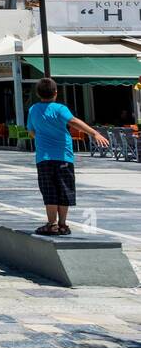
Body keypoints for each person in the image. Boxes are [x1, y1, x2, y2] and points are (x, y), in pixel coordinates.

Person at [27, 78, 107, 236]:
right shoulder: (60, 108)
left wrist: (41, 137)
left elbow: (31, 131)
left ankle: (52, 224)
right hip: (64, 156)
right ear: (56, 93)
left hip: (44, 157)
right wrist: (94, 133)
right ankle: (63, 224)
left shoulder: (33, 109)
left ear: (38, 94)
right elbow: (74, 122)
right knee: (64, 189)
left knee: (49, 190)